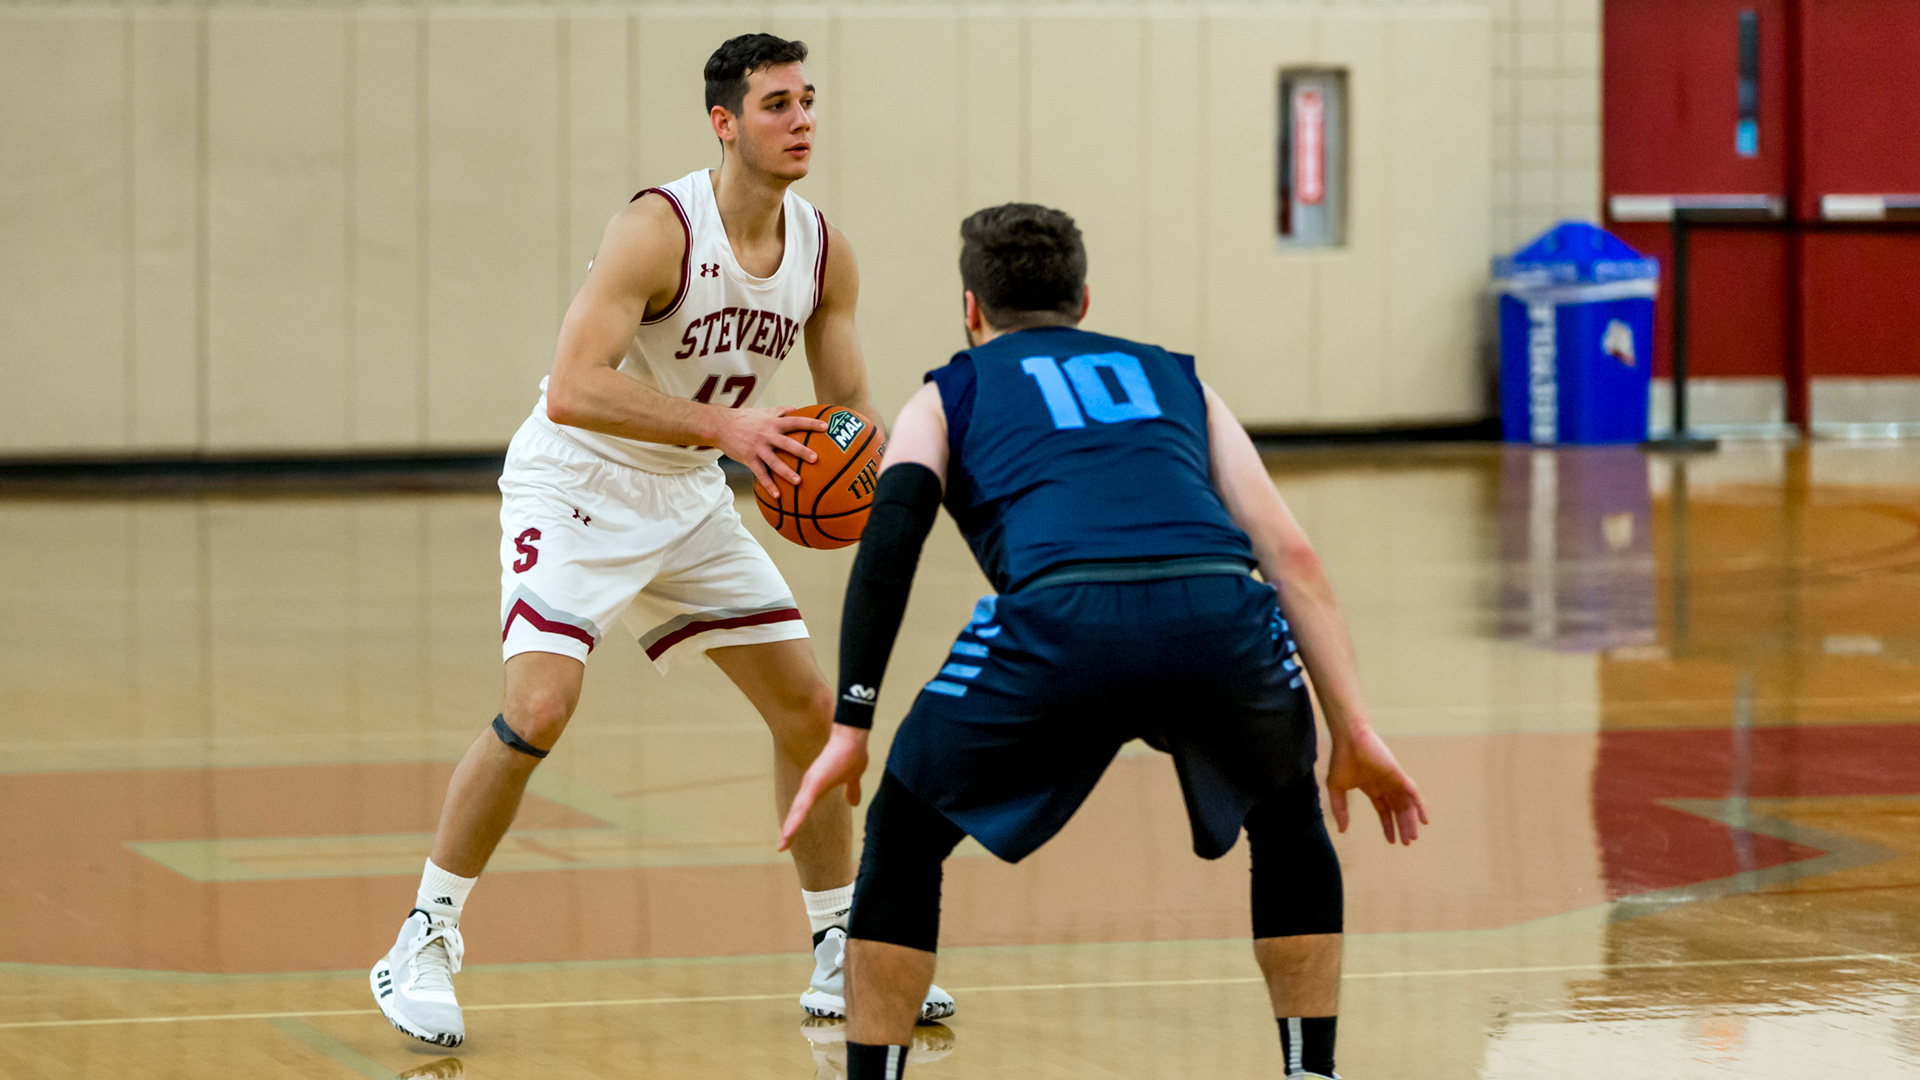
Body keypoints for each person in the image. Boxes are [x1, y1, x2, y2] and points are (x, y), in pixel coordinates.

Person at [371, 33, 952, 1049]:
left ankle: (835, 943)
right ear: (725, 122)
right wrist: (730, 431)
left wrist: (867, 474)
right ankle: (423, 935)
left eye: (809, 100)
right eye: (777, 104)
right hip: (577, 484)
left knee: (811, 709)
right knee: (541, 707)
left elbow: (849, 406)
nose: (802, 119)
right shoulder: (657, 229)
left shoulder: (823, 249)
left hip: (687, 496)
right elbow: (574, 386)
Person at [780, 203, 1428, 1079]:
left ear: (971, 310)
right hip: (1218, 616)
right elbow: (1292, 554)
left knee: (903, 832)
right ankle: (1311, 1070)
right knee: (1286, 817)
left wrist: (852, 722)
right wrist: (1353, 727)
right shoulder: (1175, 379)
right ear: (1085, 299)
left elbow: (891, 539)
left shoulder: (949, 391)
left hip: (1060, 620)